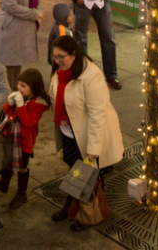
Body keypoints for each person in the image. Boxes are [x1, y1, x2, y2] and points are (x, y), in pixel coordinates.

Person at [49, 35, 124, 230]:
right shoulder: (61, 71)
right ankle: (73, 206)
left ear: (74, 54)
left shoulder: (91, 76)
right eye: (54, 57)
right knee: (76, 171)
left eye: (61, 57)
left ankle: (90, 213)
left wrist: (93, 149)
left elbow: (97, 115)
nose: (57, 62)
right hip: (70, 133)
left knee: (91, 175)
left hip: (89, 136)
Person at [0, 68, 50, 209]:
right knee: (7, 160)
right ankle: (4, 184)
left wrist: (20, 105)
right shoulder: (22, 96)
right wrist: (10, 102)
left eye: (23, 86)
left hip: (24, 142)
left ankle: (21, 193)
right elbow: (6, 111)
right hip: (10, 136)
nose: (19, 88)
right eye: (19, 84)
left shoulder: (39, 104)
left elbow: (28, 122)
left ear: (34, 87)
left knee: (22, 167)